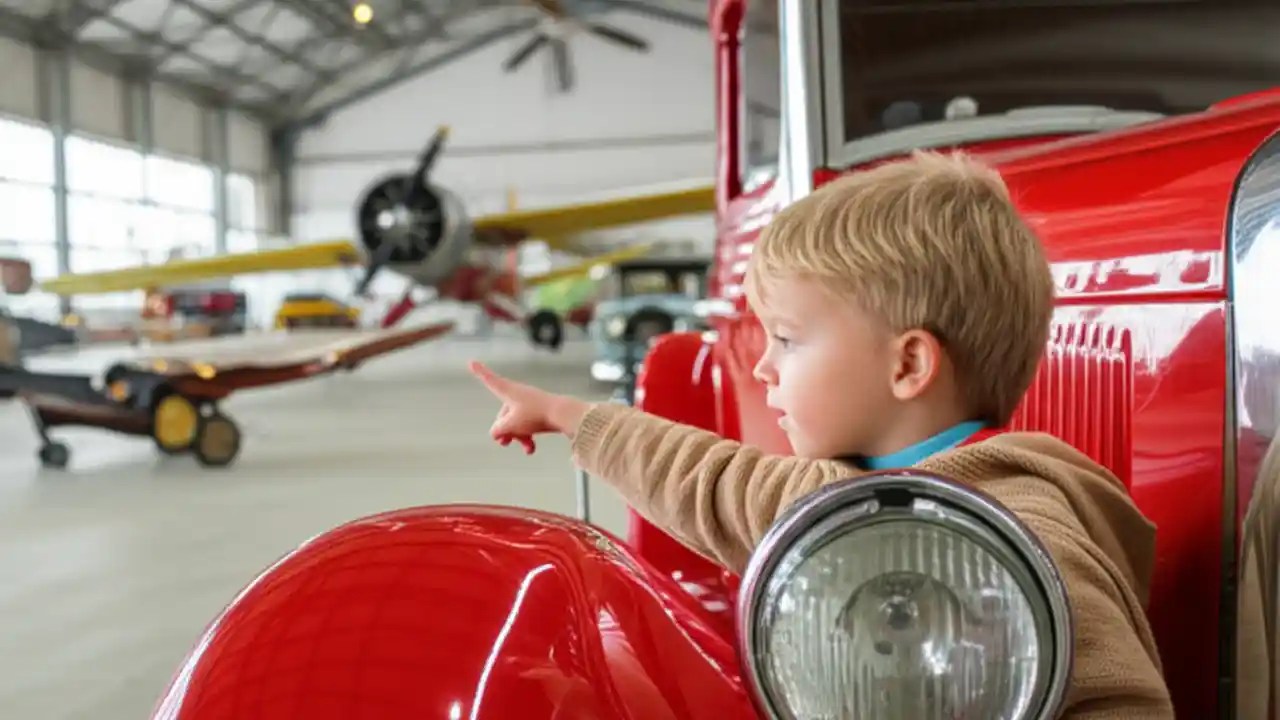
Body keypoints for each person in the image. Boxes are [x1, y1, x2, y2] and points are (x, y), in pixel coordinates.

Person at [470, 150, 1174, 718]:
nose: (765, 368)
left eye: (787, 339)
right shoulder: (838, 489)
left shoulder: (1026, 530)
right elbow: (707, 480)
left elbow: (1122, 698)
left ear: (907, 364)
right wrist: (569, 416)